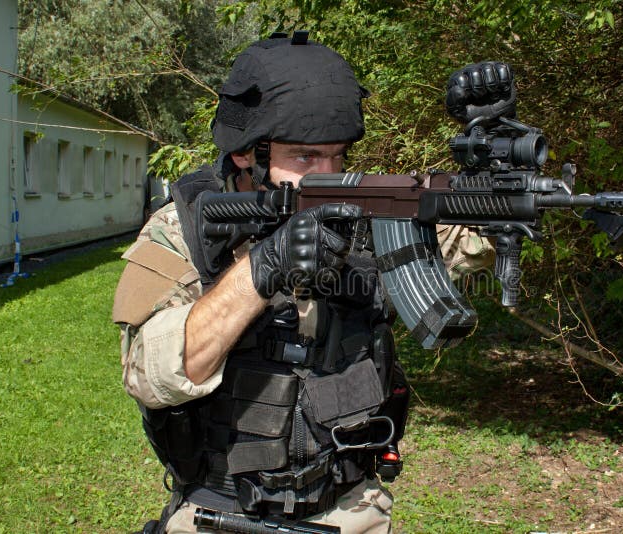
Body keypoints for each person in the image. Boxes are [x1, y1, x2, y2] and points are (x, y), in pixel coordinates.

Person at [114, 32, 496, 534]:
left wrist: (490, 151)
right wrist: (259, 269)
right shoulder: (183, 226)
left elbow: (477, 236)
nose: (330, 174)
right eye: (305, 158)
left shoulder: (370, 214)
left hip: (352, 509)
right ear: (247, 154)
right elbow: (149, 375)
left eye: (338, 156)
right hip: (223, 514)